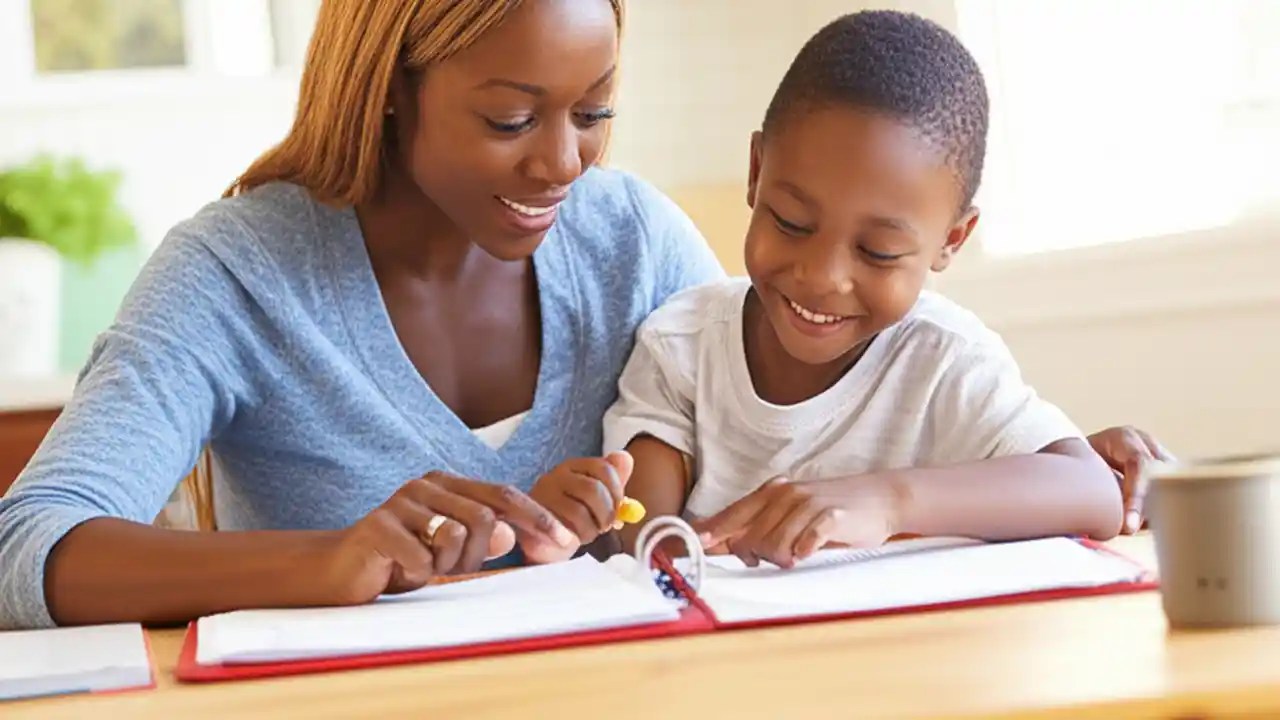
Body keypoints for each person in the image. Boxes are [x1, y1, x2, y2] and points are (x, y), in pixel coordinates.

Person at [0, 0, 1166, 631]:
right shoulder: (237, 273)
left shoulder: (632, 239)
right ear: (390, 88)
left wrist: (1060, 468)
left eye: (595, 111)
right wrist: (329, 559)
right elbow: (26, 552)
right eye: (512, 118)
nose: (564, 165)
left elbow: (772, 431)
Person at [606, 10, 1164, 567]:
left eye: (878, 252)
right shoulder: (681, 345)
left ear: (951, 239)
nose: (821, 276)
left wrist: (886, 499)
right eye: (792, 223)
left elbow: (1089, 493)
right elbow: (646, 539)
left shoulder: (943, 360)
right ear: (756, 172)